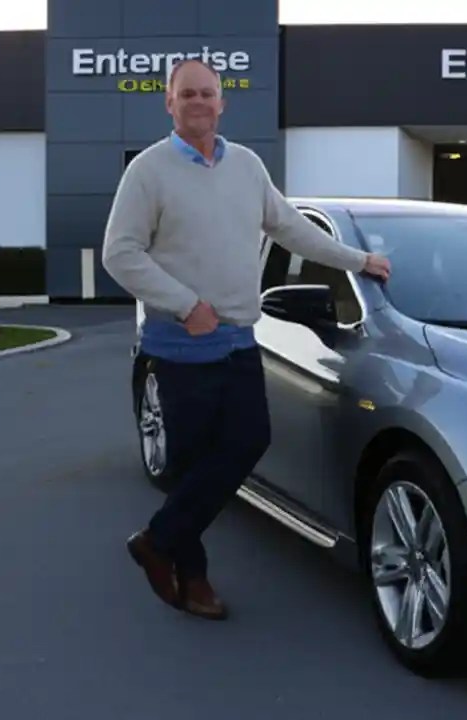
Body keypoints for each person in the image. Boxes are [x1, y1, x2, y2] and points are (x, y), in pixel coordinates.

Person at [102, 58, 391, 620]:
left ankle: (157, 542)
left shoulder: (247, 166)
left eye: (208, 93)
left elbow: (290, 227)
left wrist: (359, 260)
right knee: (190, 467)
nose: (199, 102)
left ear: (222, 102)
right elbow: (120, 253)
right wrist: (187, 306)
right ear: (169, 103)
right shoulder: (149, 170)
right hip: (182, 345)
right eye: (187, 94)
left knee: (248, 443)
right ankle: (196, 579)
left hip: (238, 341)